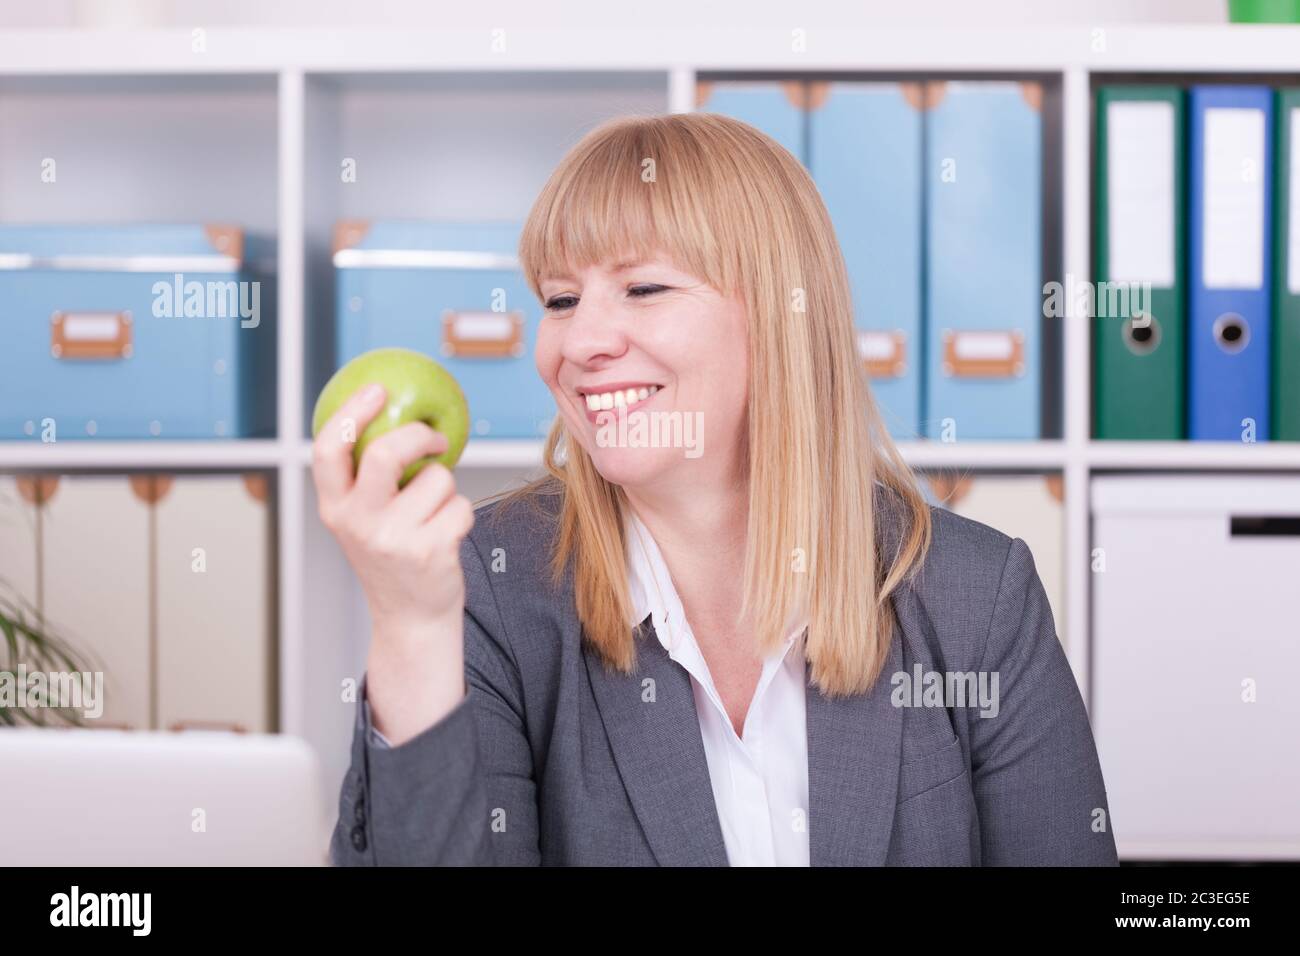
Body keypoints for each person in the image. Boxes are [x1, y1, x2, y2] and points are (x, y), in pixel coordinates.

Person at [315, 111, 1118, 866]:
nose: (581, 341)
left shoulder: (976, 596)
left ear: (779, 317)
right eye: (561, 300)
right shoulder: (486, 584)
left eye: (644, 289)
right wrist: (413, 625)